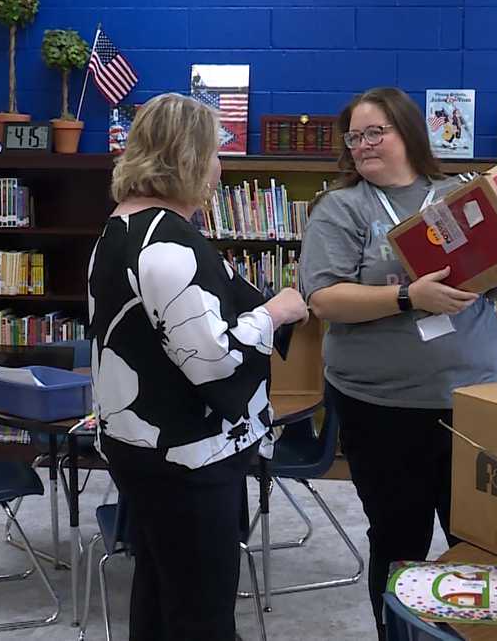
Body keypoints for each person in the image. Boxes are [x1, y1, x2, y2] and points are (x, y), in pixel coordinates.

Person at [298, 87, 497, 640]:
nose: (361, 145)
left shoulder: (457, 194)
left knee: (478, 536)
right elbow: (323, 299)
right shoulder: (343, 207)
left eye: (373, 132)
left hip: (474, 401)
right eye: (354, 136)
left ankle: (470, 633)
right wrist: (408, 297)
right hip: (381, 407)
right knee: (398, 535)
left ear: (407, 132)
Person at [88, 92, 308, 640]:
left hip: (141, 446)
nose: (219, 168)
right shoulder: (167, 243)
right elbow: (214, 361)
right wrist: (276, 313)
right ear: (185, 158)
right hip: (190, 457)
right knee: (202, 612)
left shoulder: (117, 231)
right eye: (213, 153)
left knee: (161, 594)